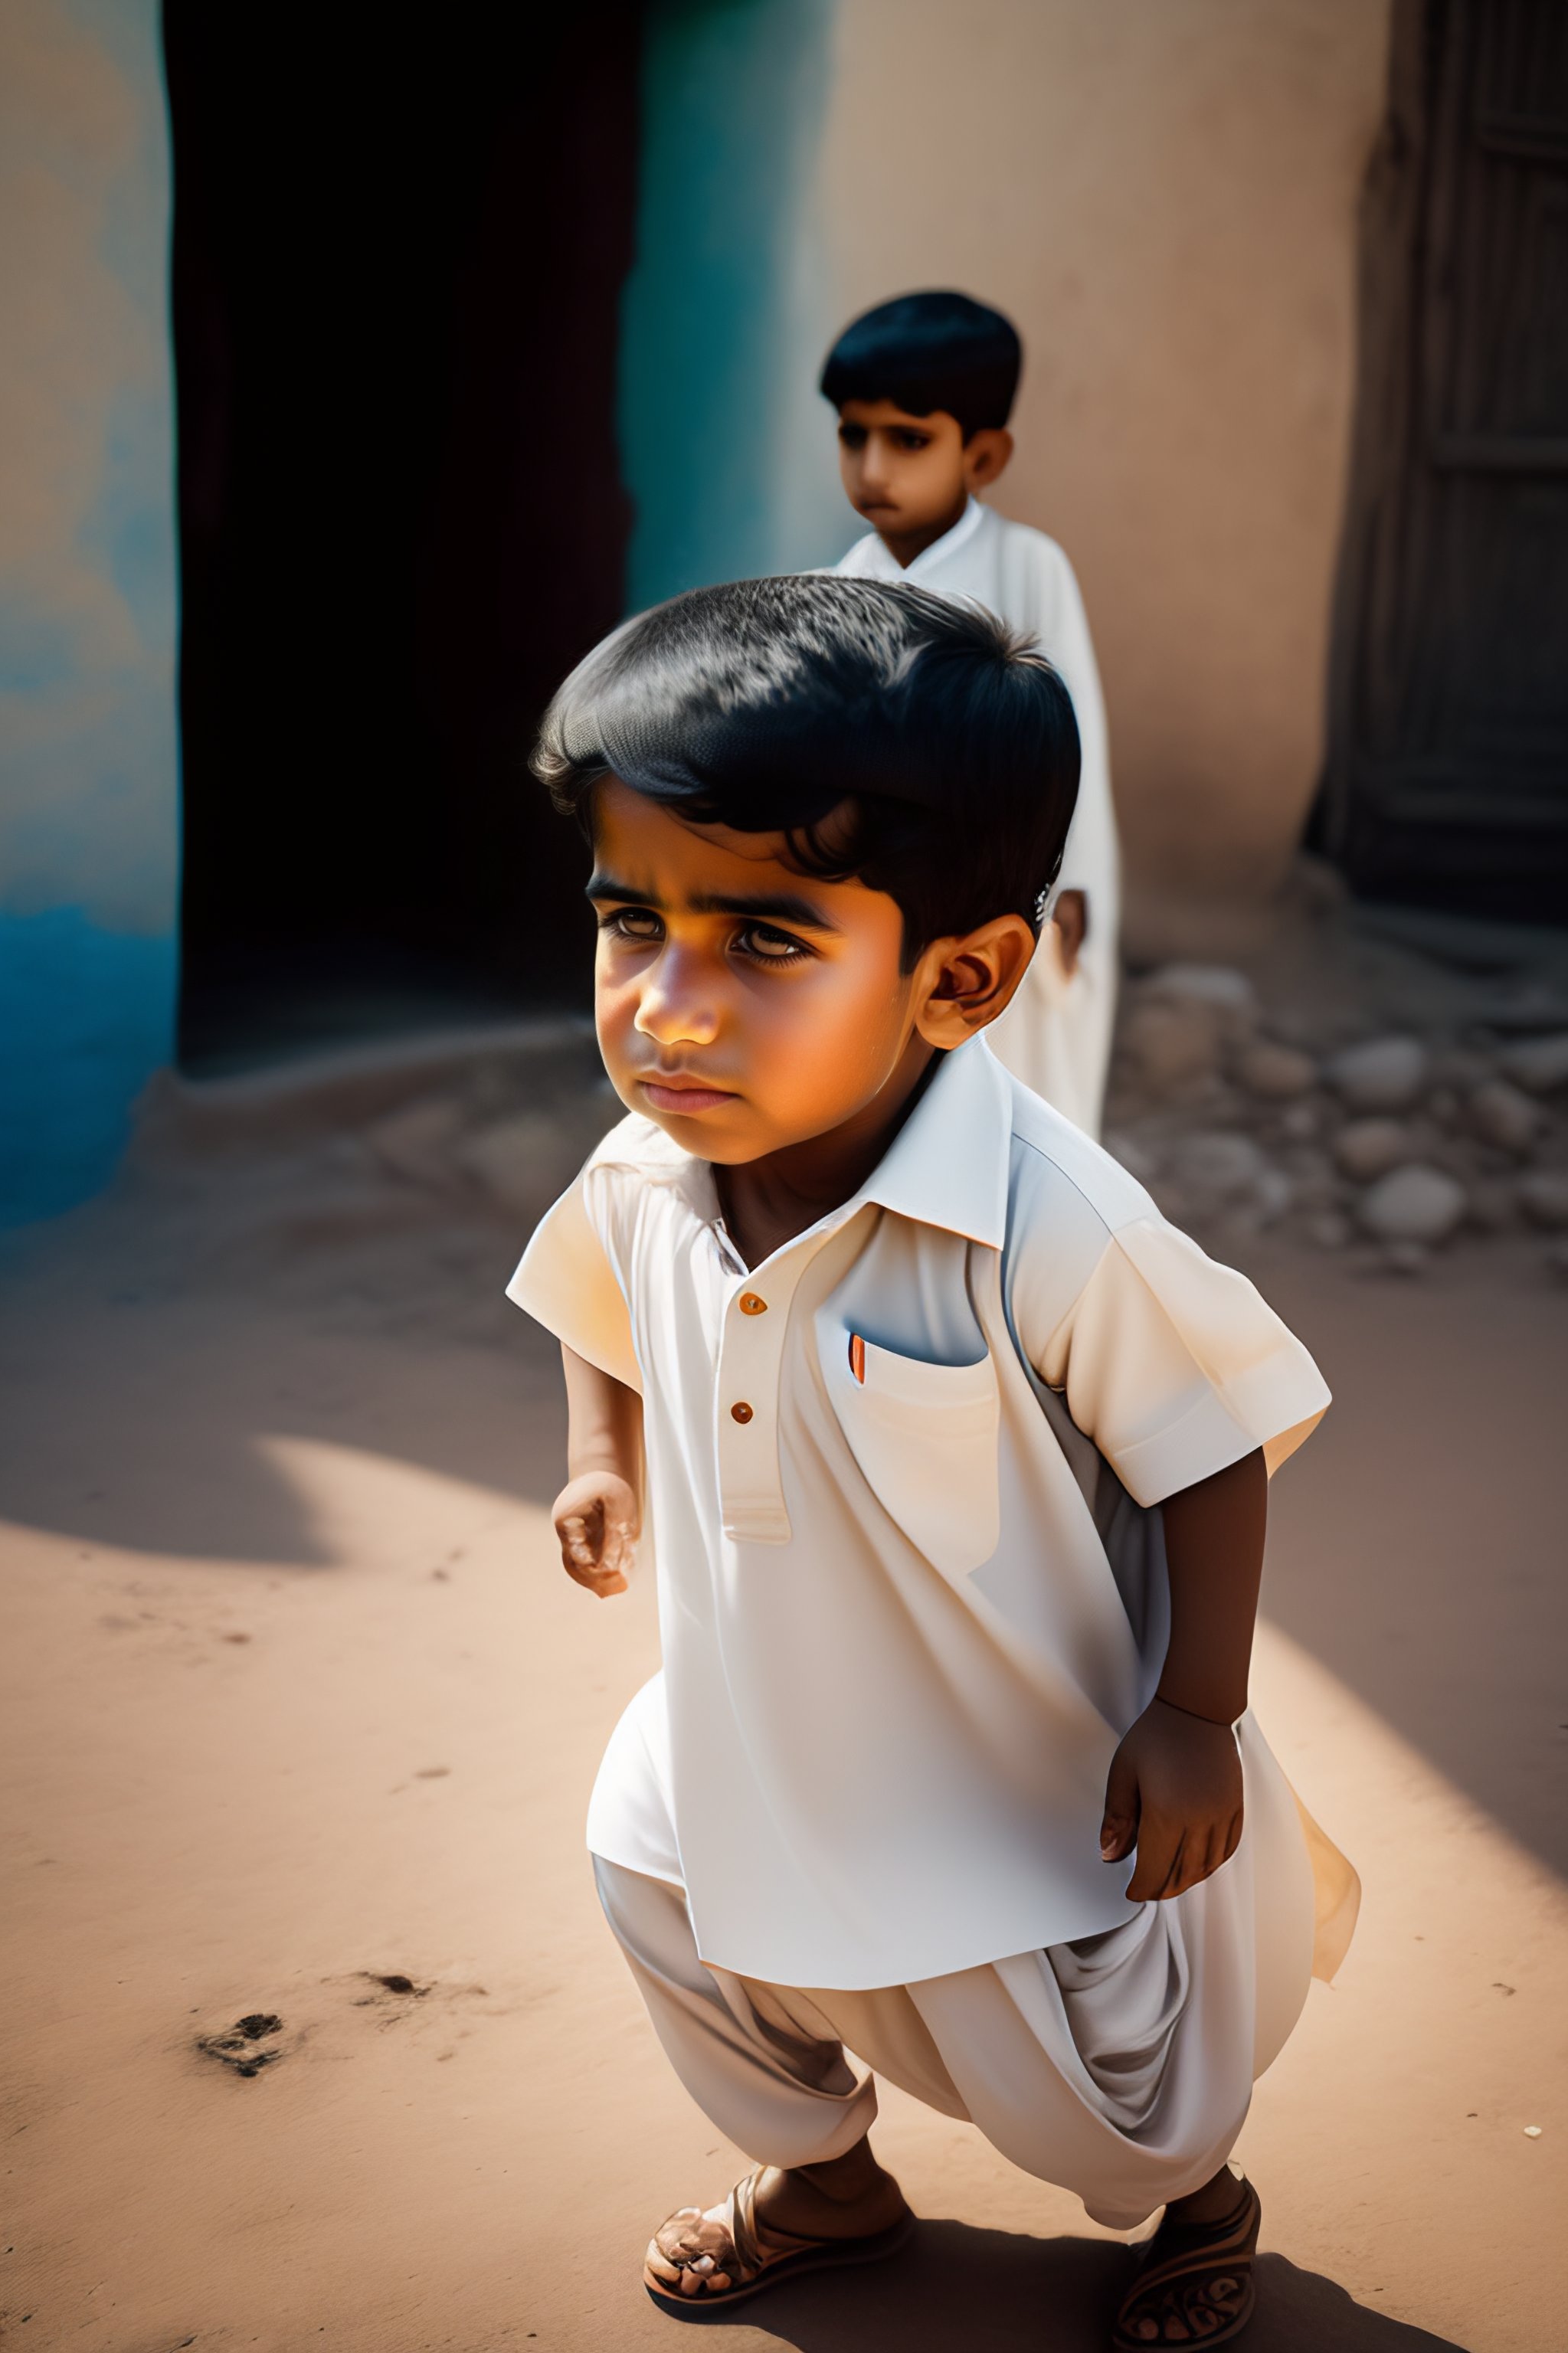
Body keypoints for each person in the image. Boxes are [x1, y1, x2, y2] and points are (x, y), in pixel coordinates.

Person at [508, 574, 1357, 2348]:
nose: (663, 1009)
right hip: (752, 1719)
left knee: (1109, 2087)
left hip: (1007, 1760)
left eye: (758, 940)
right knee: (651, 1871)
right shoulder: (647, 1158)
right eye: (625, 921)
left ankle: (1198, 2197)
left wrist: (1194, 1708)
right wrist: (603, 1456)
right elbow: (596, 1292)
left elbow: (1209, 1453)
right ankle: (827, 2181)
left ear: (963, 973)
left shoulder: (1043, 1224)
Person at [826, 290, 1118, 1136]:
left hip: (1005, 869)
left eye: (907, 440)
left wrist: (1072, 882)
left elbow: (1074, 737)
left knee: (1012, 1085)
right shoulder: (843, 586)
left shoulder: (1029, 567)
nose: (873, 468)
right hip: (889, 878)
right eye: (854, 436)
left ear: (983, 454)